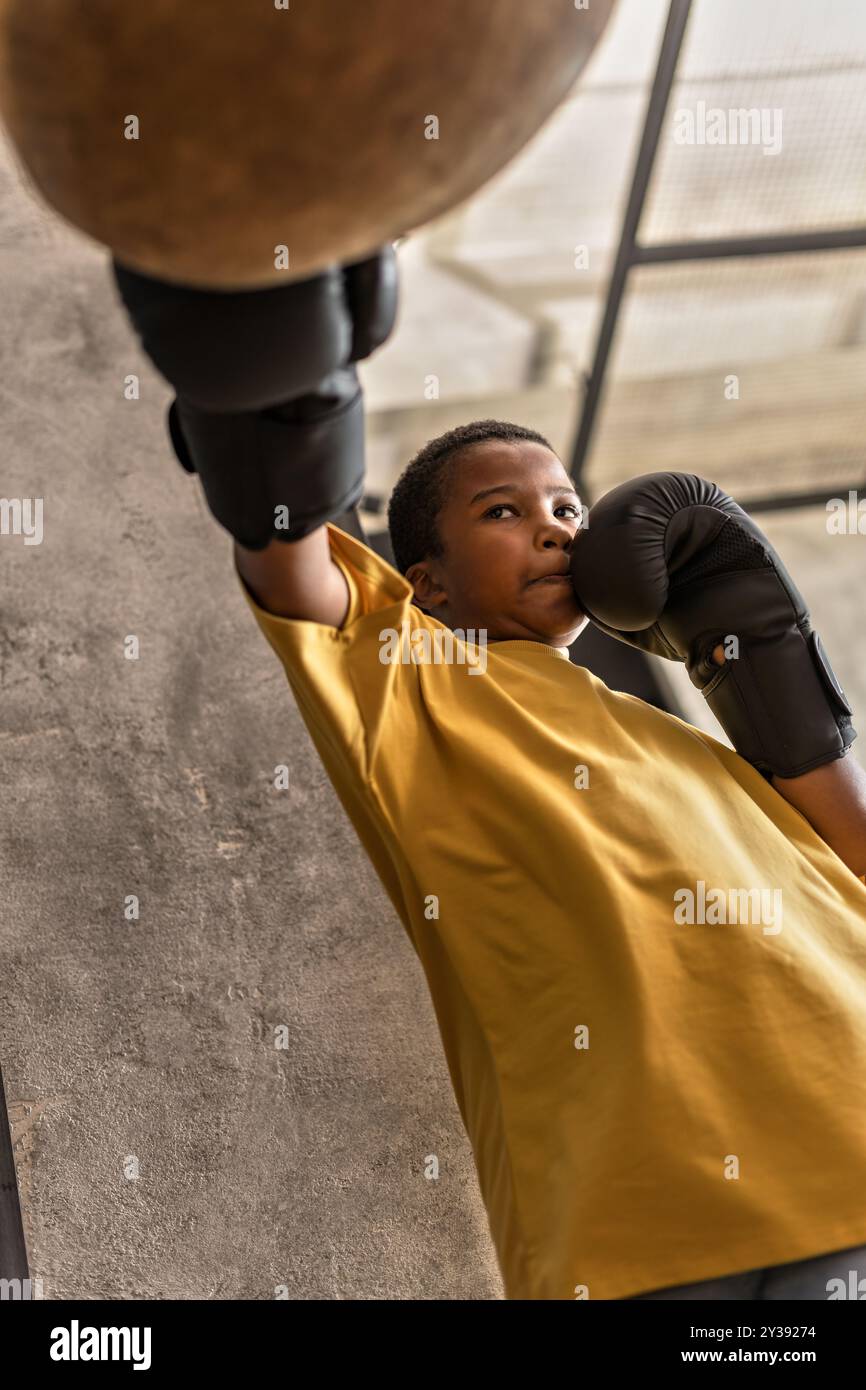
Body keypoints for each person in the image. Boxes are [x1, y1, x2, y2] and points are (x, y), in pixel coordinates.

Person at [114, 255, 866, 1301]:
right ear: (425, 580)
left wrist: (772, 682)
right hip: (647, 1218)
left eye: (566, 503)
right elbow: (289, 555)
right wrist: (285, 381)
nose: (557, 522)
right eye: (503, 512)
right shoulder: (408, 682)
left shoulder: (688, 747)